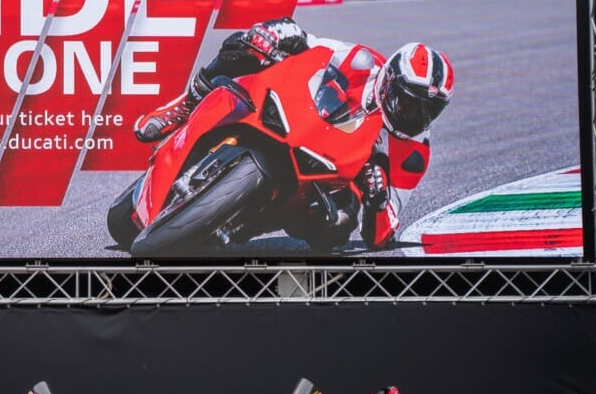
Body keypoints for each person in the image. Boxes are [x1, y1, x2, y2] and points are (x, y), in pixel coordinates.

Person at [131, 17, 454, 249]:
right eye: (408, 102)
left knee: (338, 229)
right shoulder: (363, 62)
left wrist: (379, 198)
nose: (415, 115)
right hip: (303, 123)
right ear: (390, 80)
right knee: (245, 47)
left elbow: (384, 234)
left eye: (429, 110)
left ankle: (245, 218)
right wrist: (276, 32)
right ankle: (185, 104)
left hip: (330, 179)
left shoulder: (414, 153)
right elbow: (308, 41)